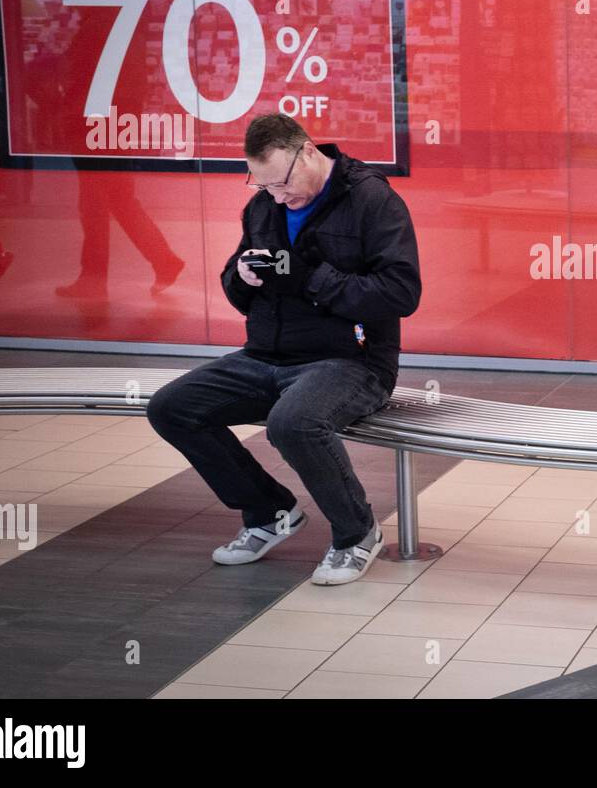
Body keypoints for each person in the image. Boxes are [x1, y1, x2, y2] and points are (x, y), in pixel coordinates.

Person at [147, 113, 422, 586]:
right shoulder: (264, 207)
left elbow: (401, 293)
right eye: (264, 185)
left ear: (309, 151)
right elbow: (237, 285)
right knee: (171, 408)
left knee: (293, 423)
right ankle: (269, 512)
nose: (278, 195)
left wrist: (311, 277)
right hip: (266, 356)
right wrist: (243, 277)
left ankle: (357, 532)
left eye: (284, 183)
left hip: (352, 360)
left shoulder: (371, 199)